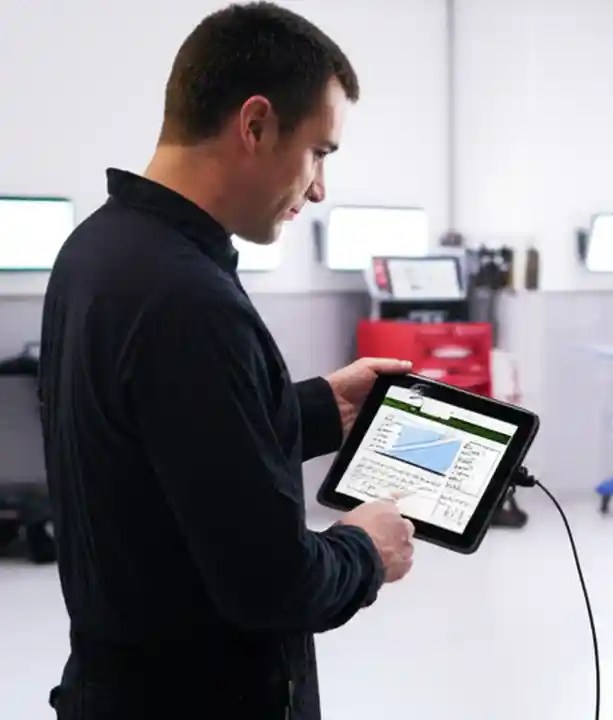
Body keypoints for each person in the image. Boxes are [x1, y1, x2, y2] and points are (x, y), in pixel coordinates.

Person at [39, 3, 415, 717]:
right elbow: (270, 585)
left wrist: (312, 409)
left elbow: (165, 445)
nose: (319, 189)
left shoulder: (100, 251)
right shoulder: (189, 298)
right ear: (255, 124)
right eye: (320, 153)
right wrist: (365, 551)